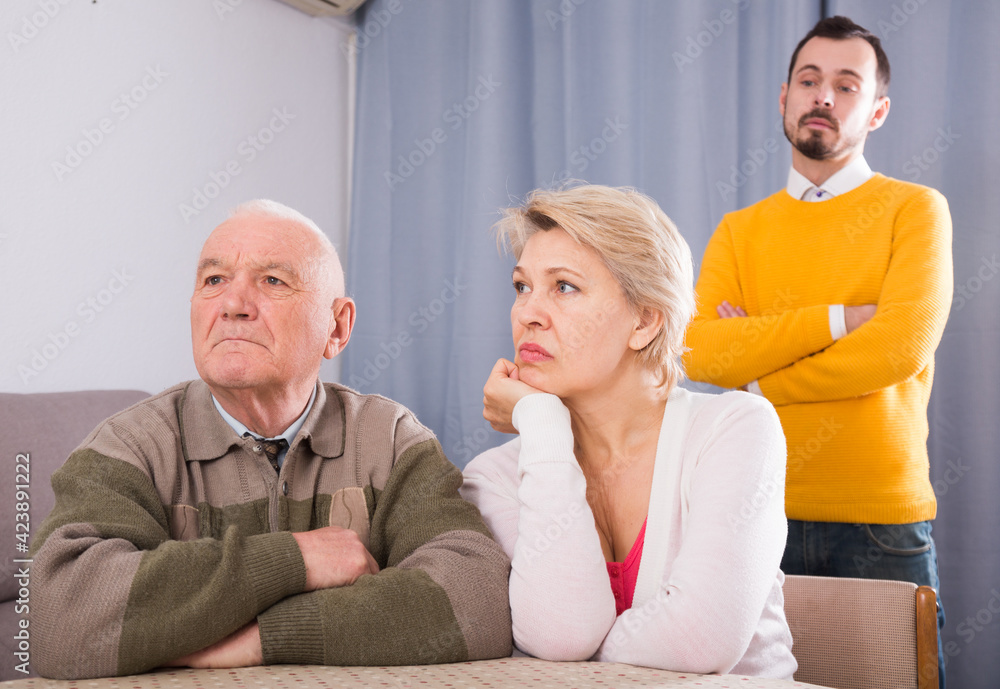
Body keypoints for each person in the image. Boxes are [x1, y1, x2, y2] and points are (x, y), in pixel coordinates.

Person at [30, 200, 512, 680]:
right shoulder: (127, 446)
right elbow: (54, 622)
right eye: (214, 280)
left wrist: (261, 639)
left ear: (337, 326)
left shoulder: (390, 439)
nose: (232, 305)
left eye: (273, 280)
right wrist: (298, 560)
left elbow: (477, 600)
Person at [682, 16, 951, 686]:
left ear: (877, 110)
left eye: (846, 85)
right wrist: (838, 320)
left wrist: (759, 375)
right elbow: (698, 351)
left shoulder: (915, 210)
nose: (823, 96)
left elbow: (897, 349)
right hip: (753, 511)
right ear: (784, 98)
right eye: (809, 80)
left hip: (879, 519)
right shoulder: (739, 231)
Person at [460, 184, 797, 678]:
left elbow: (697, 645)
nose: (527, 313)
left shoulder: (734, 429)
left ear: (644, 321)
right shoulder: (493, 477)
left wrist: (589, 654)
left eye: (564, 287)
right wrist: (543, 424)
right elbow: (562, 635)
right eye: (521, 286)